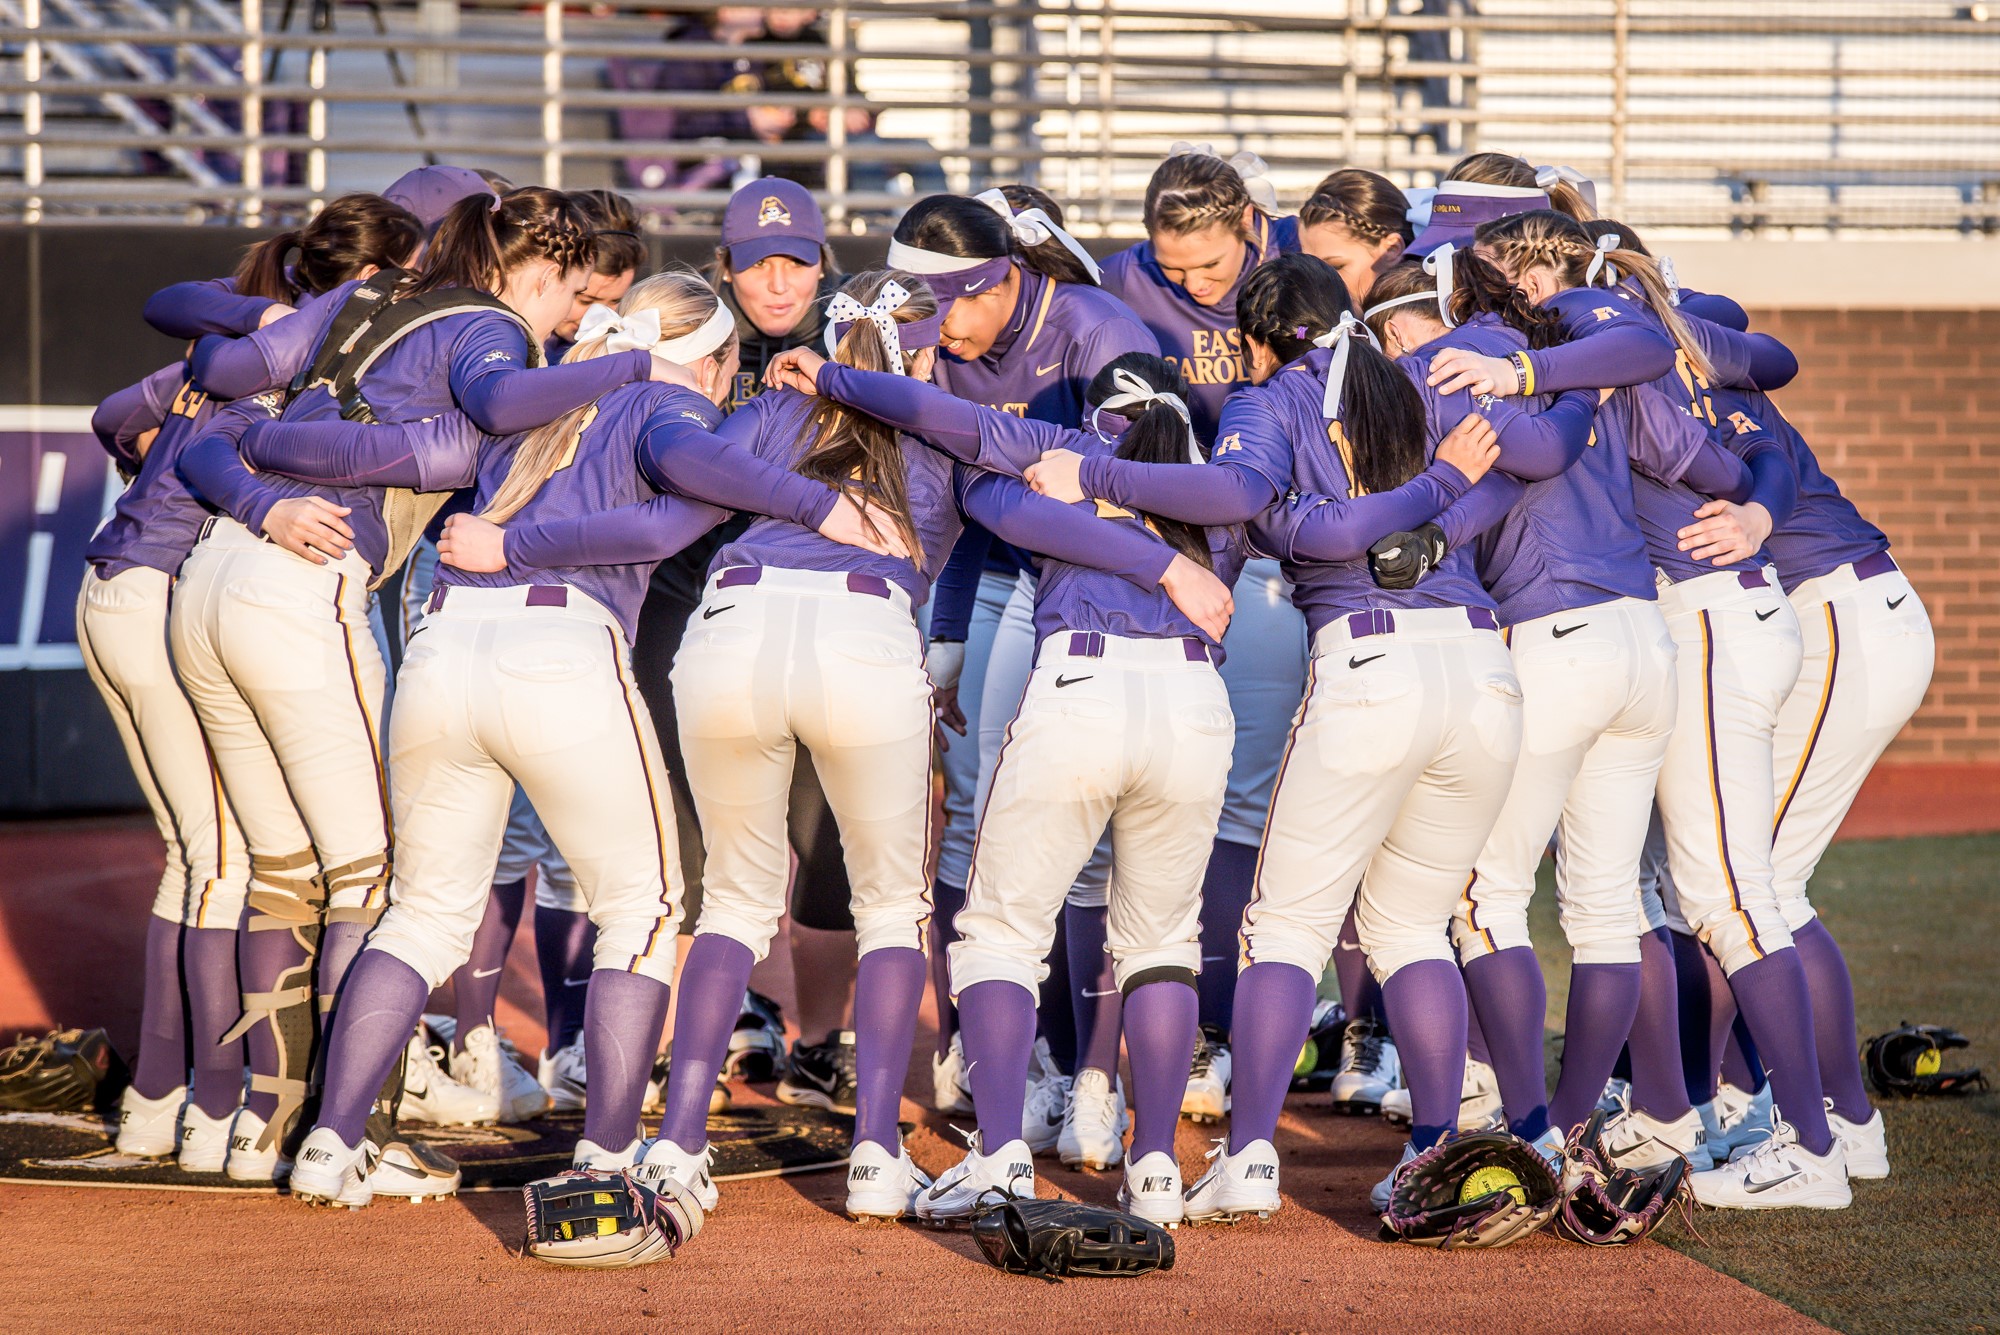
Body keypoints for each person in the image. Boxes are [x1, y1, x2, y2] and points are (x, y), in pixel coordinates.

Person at [256, 270, 900, 1206]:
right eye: (726, 367)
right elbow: (694, 475)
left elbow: (671, 513)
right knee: (641, 911)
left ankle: (331, 1140)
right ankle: (604, 1160)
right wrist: (817, 503)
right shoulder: (660, 402)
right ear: (711, 359)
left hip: (446, 647)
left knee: (424, 910)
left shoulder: (546, 389)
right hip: (560, 646)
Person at [169, 187, 670, 1187]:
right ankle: (347, 1137)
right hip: (303, 584)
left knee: (275, 866)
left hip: (218, 566)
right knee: (375, 884)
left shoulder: (364, 305)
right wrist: (631, 363)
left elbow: (213, 378)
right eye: (573, 294)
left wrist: (270, 471)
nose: (572, 318)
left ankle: (239, 1128)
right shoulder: (490, 325)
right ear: (537, 270)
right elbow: (483, 413)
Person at [1026, 252, 1526, 1218]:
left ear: (1257, 339)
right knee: (1411, 923)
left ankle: (1250, 1156)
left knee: (1284, 928)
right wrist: (1439, 512)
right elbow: (1529, 455)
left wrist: (1093, 469)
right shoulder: (1418, 370)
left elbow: (1237, 499)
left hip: (1372, 663)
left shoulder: (1269, 398)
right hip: (1482, 665)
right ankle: (1432, 1151)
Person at [779, 347, 1239, 1226]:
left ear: (1097, 415)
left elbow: (934, 417)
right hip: (1193, 700)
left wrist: (832, 376)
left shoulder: (1058, 443)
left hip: (1082, 689)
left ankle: (999, 1160)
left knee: (997, 933)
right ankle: (1155, 1173)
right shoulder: (1212, 474)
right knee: (1162, 942)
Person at [1467, 210, 1851, 1211]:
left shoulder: (1595, 322)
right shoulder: (1607, 343)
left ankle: (1813, 1149)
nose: (1504, 299)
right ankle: (1686, 1113)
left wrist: (1523, 375)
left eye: (1507, 276)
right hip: (1686, 617)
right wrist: (1759, 501)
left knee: (1725, 893)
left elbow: (1700, 354)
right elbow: (1736, 444)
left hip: (1704, 613)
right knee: (1673, 893)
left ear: (1548, 267)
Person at [82, 194, 424, 1168]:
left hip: (136, 584)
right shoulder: (305, 358)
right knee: (229, 860)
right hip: (160, 593)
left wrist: (155, 452)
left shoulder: (255, 335)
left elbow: (115, 414)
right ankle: (205, 1108)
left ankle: (176, 1102)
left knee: (212, 860)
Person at [890, 187, 1159, 1161]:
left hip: (1108, 592)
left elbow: (1134, 481)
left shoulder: (1093, 329)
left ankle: (1095, 1074)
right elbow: (959, 502)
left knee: (1093, 840)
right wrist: (946, 633)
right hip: (1002, 586)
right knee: (968, 813)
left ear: (1005, 278)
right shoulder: (944, 348)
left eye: (955, 305)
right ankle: (1000, 1051)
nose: (945, 329)